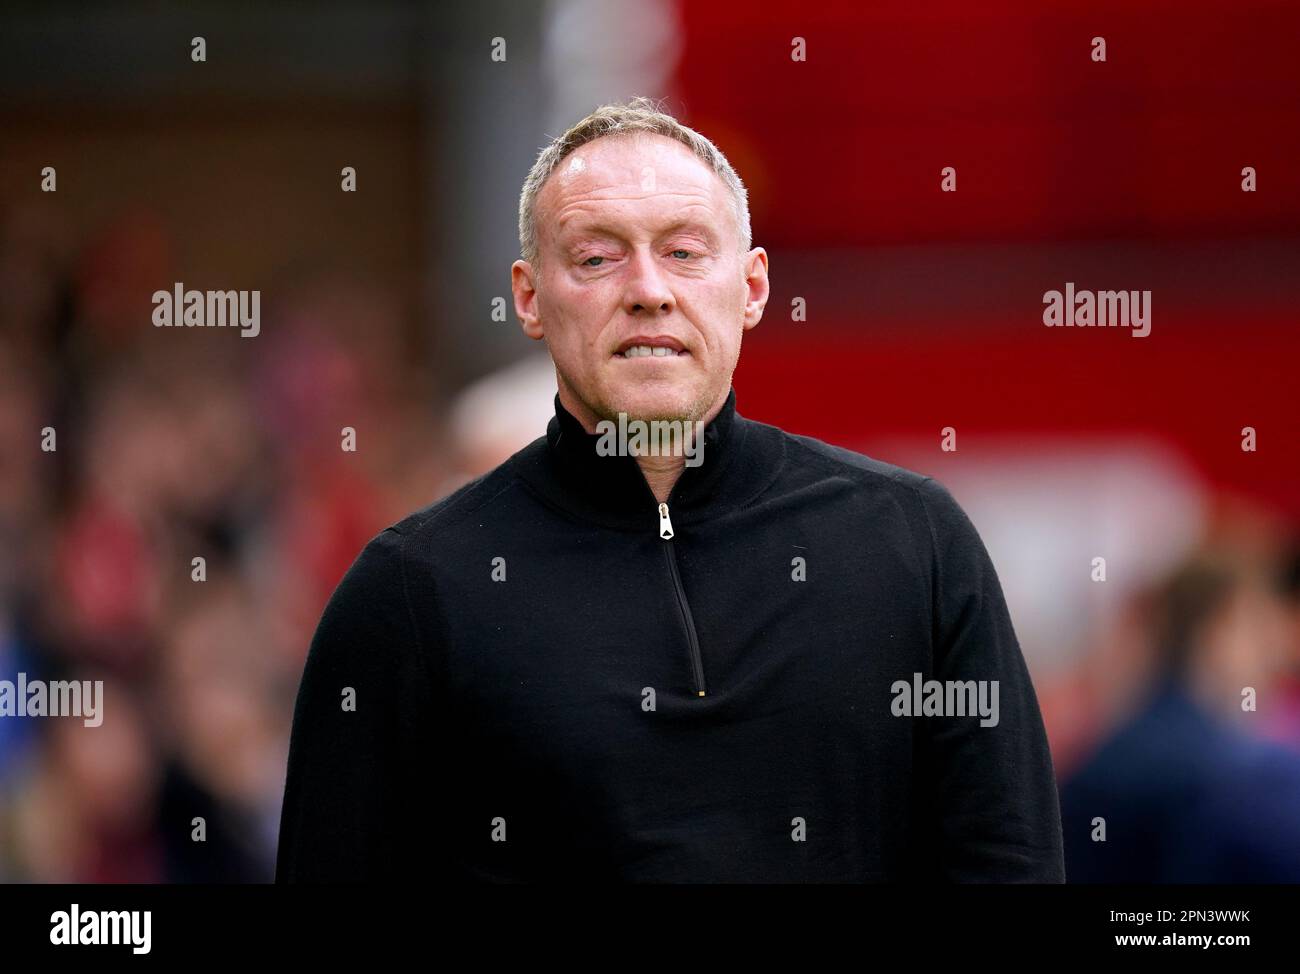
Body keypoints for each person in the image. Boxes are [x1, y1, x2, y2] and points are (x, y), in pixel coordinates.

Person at [275, 96, 1064, 882]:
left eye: (684, 252)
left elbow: (1009, 862)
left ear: (752, 287)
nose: (648, 289)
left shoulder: (915, 544)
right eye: (596, 258)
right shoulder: (411, 593)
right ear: (529, 297)